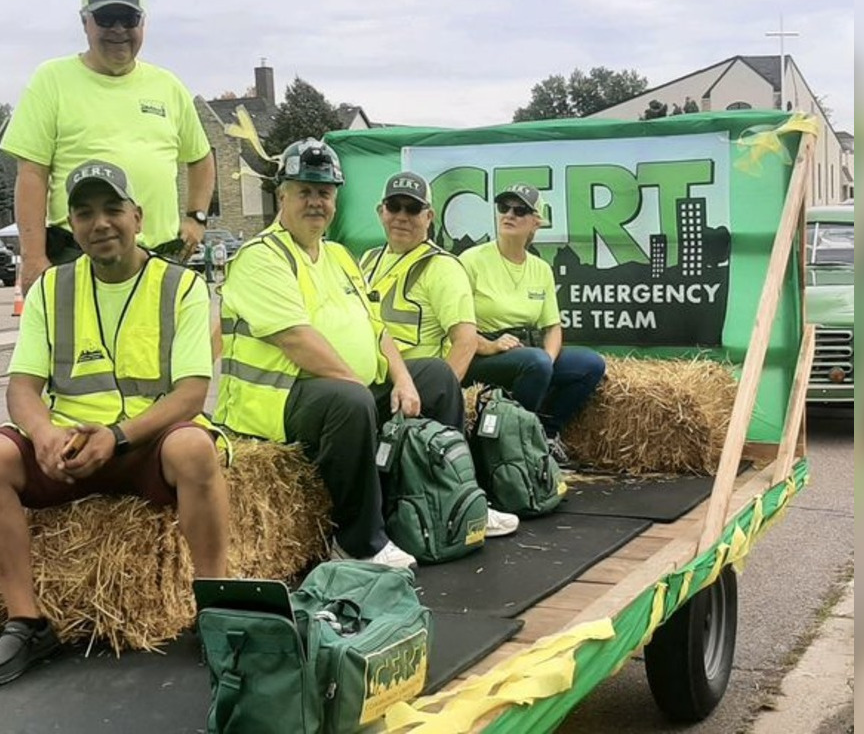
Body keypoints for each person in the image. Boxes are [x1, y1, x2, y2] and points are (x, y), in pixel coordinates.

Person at [0, 159, 228, 688]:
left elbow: (192, 393)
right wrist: (44, 435)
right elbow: (22, 388)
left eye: (112, 210)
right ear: (72, 225)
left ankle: (217, 607)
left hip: (143, 446)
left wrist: (120, 436)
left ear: (138, 217)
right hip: (70, 451)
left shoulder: (181, 286)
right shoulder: (51, 289)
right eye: (85, 213)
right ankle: (26, 622)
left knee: (196, 450)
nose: (99, 223)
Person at [215, 139, 463, 571]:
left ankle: (448, 500)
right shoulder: (261, 257)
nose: (316, 202)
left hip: (341, 389)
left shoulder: (339, 256)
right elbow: (296, 340)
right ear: (282, 195)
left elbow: (377, 328)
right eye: (305, 191)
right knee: (352, 402)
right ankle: (357, 541)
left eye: (325, 193)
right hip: (273, 404)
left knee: (437, 377)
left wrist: (402, 379)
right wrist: (361, 386)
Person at [0, 0, 215, 291]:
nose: (118, 30)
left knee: (163, 343)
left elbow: (201, 158)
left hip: (157, 257)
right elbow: (31, 175)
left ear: (143, 23)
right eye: (106, 18)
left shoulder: (168, 86)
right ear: (85, 22)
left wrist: (196, 218)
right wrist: (33, 258)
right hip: (79, 256)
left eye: (128, 19)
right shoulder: (51, 80)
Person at [360, 171, 518, 538]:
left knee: (436, 373)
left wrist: (436, 404)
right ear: (380, 211)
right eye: (394, 206)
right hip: (368, 378)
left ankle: (463, 496)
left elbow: (464, 342)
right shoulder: (366, 260)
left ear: (428, 217)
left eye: (413, 208)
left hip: (414, 383)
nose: (402, 216)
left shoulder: (443, 267)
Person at [459, 185, 606, 463]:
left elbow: (552, 327)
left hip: (528, 350)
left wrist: (548, 361)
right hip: (481, 351)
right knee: (535, 363)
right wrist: (489, 345)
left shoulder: (541, 268)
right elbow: (454, 325)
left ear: (536, 221)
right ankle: (514, 444)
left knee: (591, 364)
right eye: (504, 208)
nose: (509, 215)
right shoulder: (471, 260)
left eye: (520, 210)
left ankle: (546, 435)